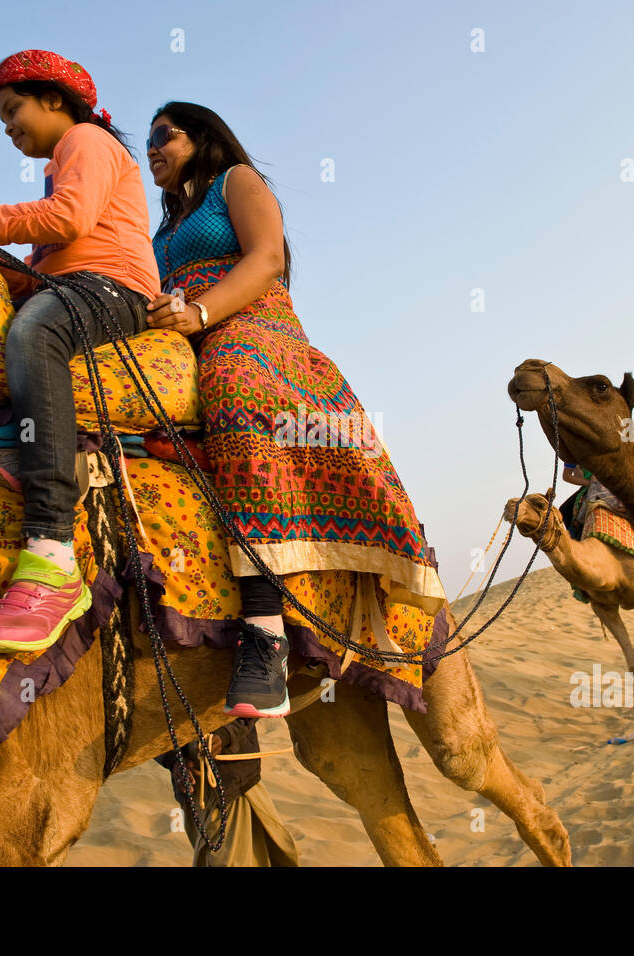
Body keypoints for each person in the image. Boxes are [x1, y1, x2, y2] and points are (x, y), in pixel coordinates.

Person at [142, 103, 445, 719]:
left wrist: (201, 313)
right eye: (146, 142)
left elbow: (267, 260)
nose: (151, 149)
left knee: (236, 396)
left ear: (201, 138)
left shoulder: (237, 182)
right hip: (183, 339)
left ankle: (265, 633)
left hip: (248, 329)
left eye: (162, 137)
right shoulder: (163, 229)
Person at [0, 50, 161, 654]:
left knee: (34, 335)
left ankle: (53, 547)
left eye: (13, 109)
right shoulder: (61, 161)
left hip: (114, 286)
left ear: (55, 99)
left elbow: (71, 218)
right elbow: (53, 239)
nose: (7, 126)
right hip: (76, 284)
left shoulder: (87, 139)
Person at [155, 719, 300, 867]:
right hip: (193, 791)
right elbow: (146, 726)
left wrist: (226, 735)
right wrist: (174, 760)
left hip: (234, 781)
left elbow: (258, 698)